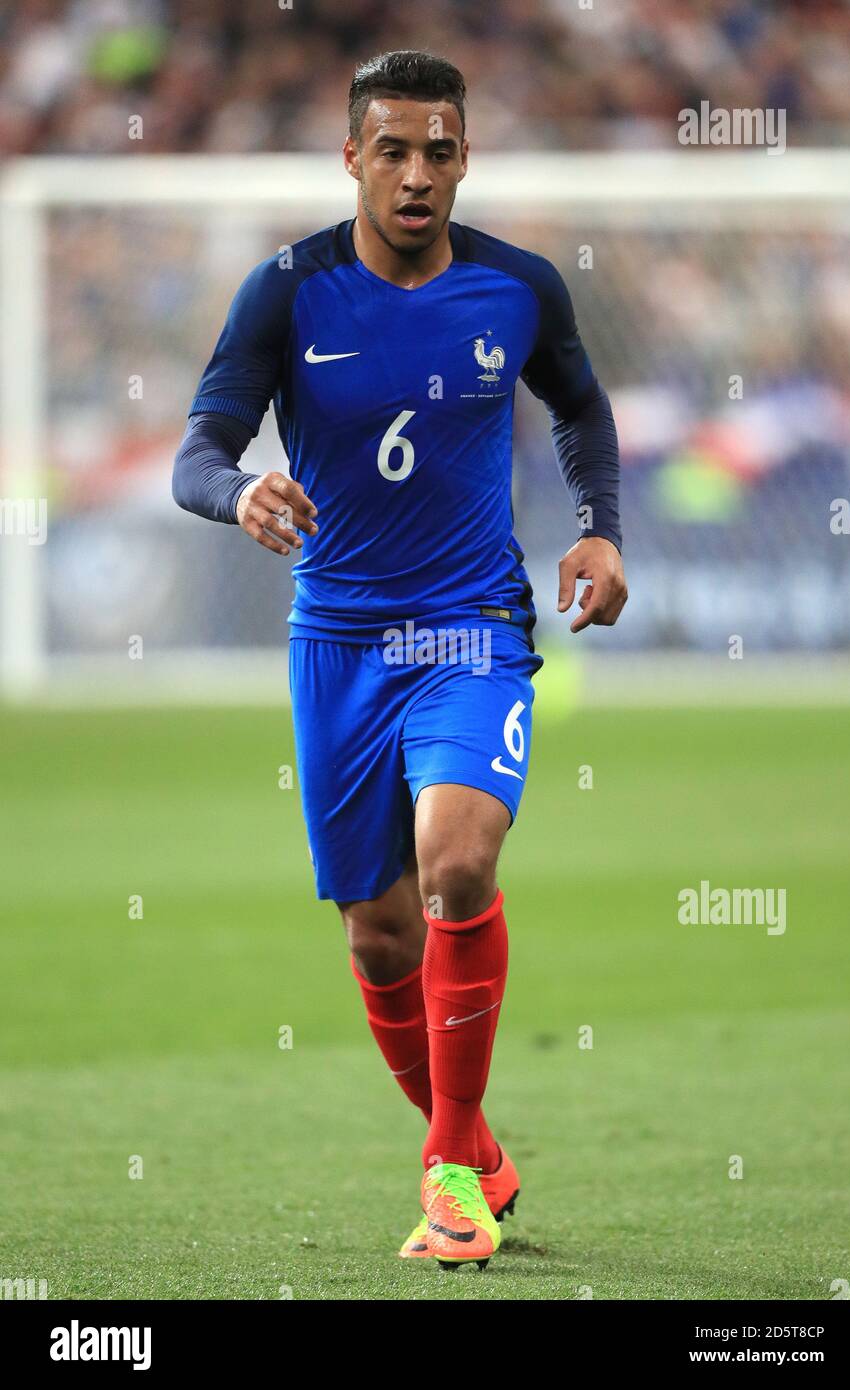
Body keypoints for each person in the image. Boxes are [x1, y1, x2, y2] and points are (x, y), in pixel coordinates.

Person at [173, 49, 627, 1269]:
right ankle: (473, 1151)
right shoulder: (284, 291)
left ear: (464, 157)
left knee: (458, 860)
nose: (416, 174)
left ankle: (446, 1172)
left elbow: (581, 410)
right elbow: (198, 448)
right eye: (393, 150)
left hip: (471, 628)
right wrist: (238, 492)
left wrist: (598, 528)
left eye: (439, 150)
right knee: (379, 935)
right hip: (339, 641)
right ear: (353, 158)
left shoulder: (517, 288)